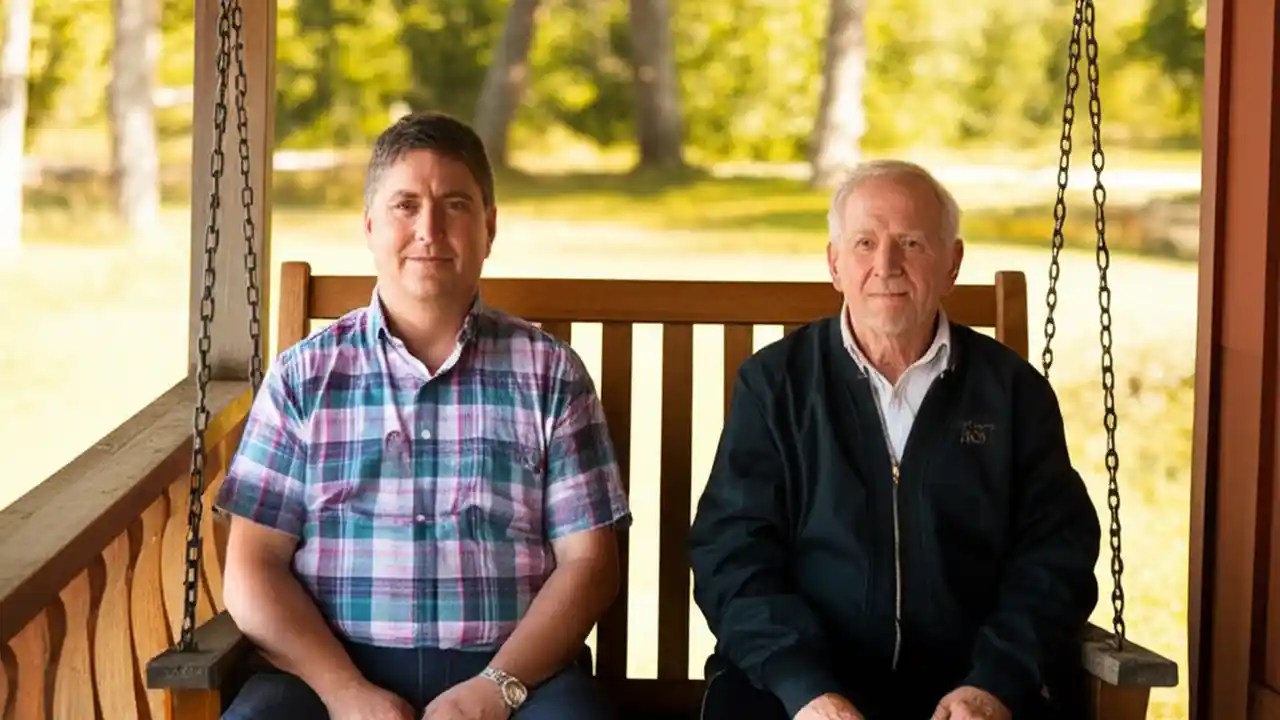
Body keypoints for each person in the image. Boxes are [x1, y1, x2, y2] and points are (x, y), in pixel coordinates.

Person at [216, 111, 631, 720]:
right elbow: (253, 565)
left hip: (515, 672)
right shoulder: (304, 377)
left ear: (489, 228)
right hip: (328, 667)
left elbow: (590, 563)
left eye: (455, 204)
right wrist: (344, 692)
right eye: (405, 205)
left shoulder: (550, 374)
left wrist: (496, 689)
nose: (429, 229)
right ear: (370, 226)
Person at [688, 160, 1100, 720]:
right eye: (864, 243)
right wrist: (806, 690)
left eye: (911, 242)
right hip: (801, 684)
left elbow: (1056, 556)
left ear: (952, 263)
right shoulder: (775, 385)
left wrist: (995, 684)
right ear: (835, 264)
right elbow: (732, 554)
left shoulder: (1011, 393)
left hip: (970, 685)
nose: (887, 265)